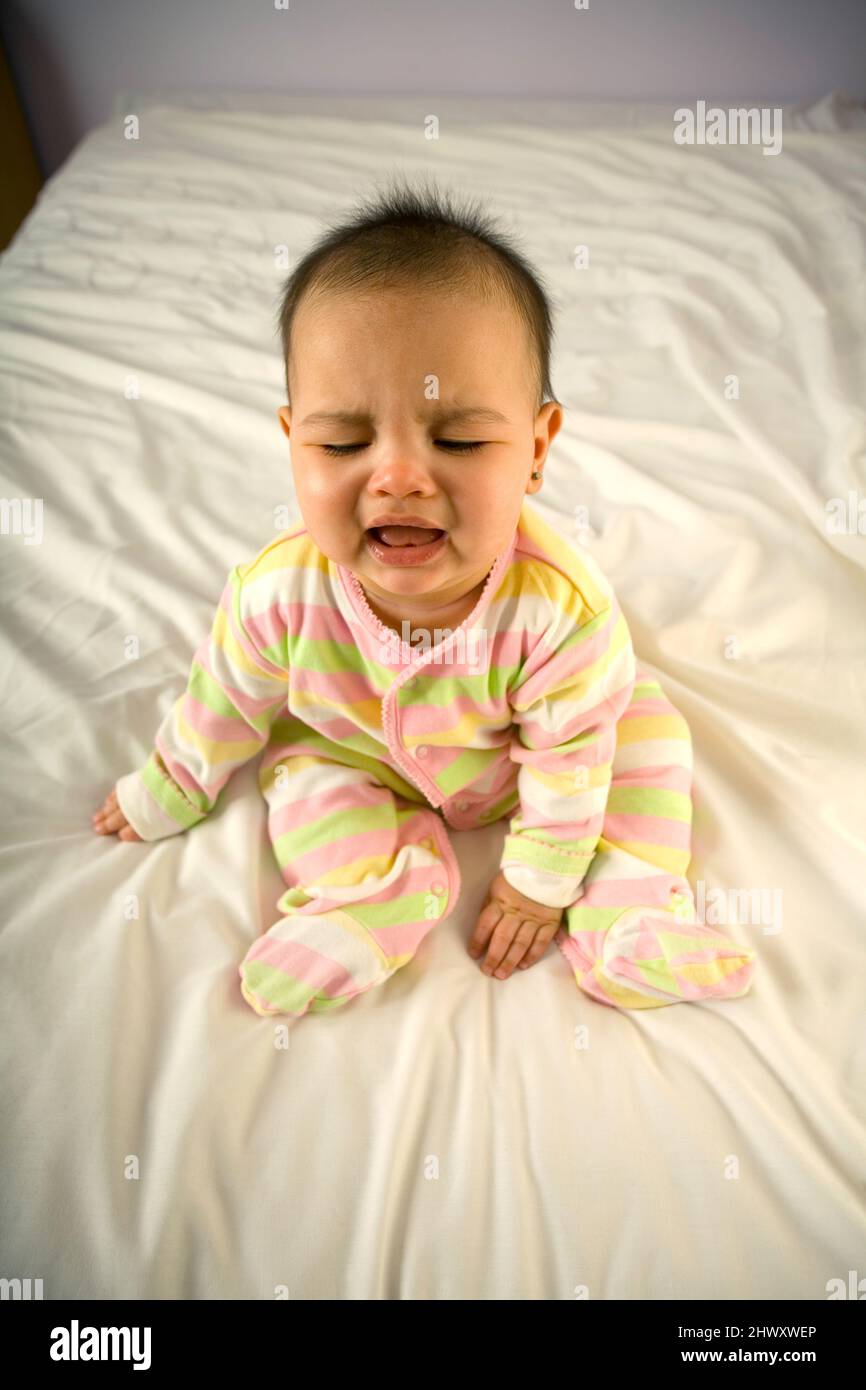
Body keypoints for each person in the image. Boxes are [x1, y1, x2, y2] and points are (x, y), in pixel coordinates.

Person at [92, 177, 756, 1017]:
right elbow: (222, 700)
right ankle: (369, 899)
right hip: (358, 751)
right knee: (300, 778)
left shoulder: (559, 614)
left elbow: (568, 760)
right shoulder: (278, 597)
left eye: (461, 438)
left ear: (537, 450)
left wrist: (535, 884)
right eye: (343, 441)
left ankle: (630, 913)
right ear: (293, 441)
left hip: (533, 766)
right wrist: (173, 784)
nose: (400, 477)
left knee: (645, 741)